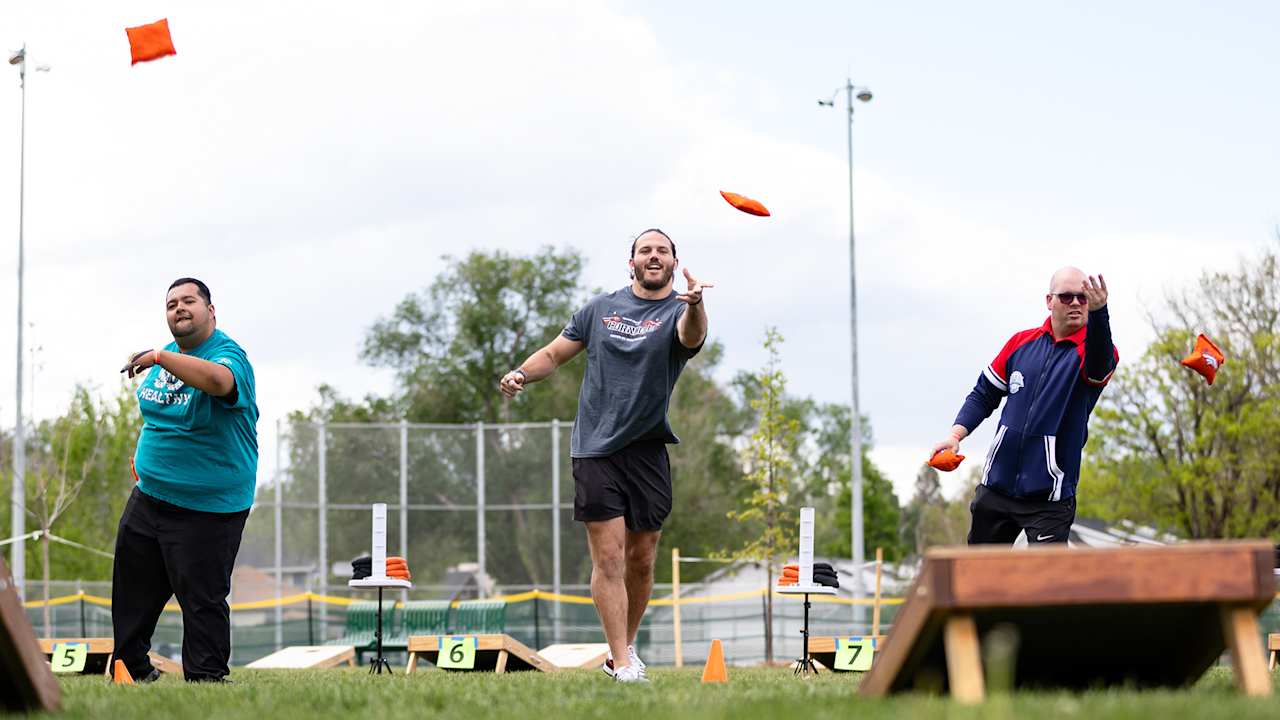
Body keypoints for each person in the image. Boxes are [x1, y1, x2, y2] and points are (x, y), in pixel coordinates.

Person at [499, 229, 710, 683]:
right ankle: (621, 660)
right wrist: (520, 373)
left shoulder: (680, 311)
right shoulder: (600, 310)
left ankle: (624, 650)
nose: (653, 257)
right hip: (595, 447)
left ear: (675, 263)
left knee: (642, 558)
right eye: (645, 251)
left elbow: (691, 339)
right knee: (609, 559)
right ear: (630, 262)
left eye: (662, 251)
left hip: (648, 448)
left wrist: (695, 304)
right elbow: (555, 354)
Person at [112, 278, 258, 682]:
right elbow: (160, 418)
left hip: (207, 507)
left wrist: (159, 356)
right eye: (171, 303)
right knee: (131, 592)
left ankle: (207, 679)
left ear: (211, 311)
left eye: (189, 301)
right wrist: (145, 458)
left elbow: (218, 383)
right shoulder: (168, 359)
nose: (179, 308)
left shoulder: (228, 355)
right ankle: (131, 671)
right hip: (150, 497)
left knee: (202, 600)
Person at [931, 267, 1117, 545]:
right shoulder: (1021, 343)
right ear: (1049, 301)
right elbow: (984, 394)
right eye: (1067, 297)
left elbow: (1100, 365)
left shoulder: (1094, 352)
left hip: (1050, 498)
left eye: (1083, 297)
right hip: (997, 488)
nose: (1077, 303)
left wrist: (1101, 313)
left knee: (1046, 585)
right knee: (978, 579)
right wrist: (956, 435)